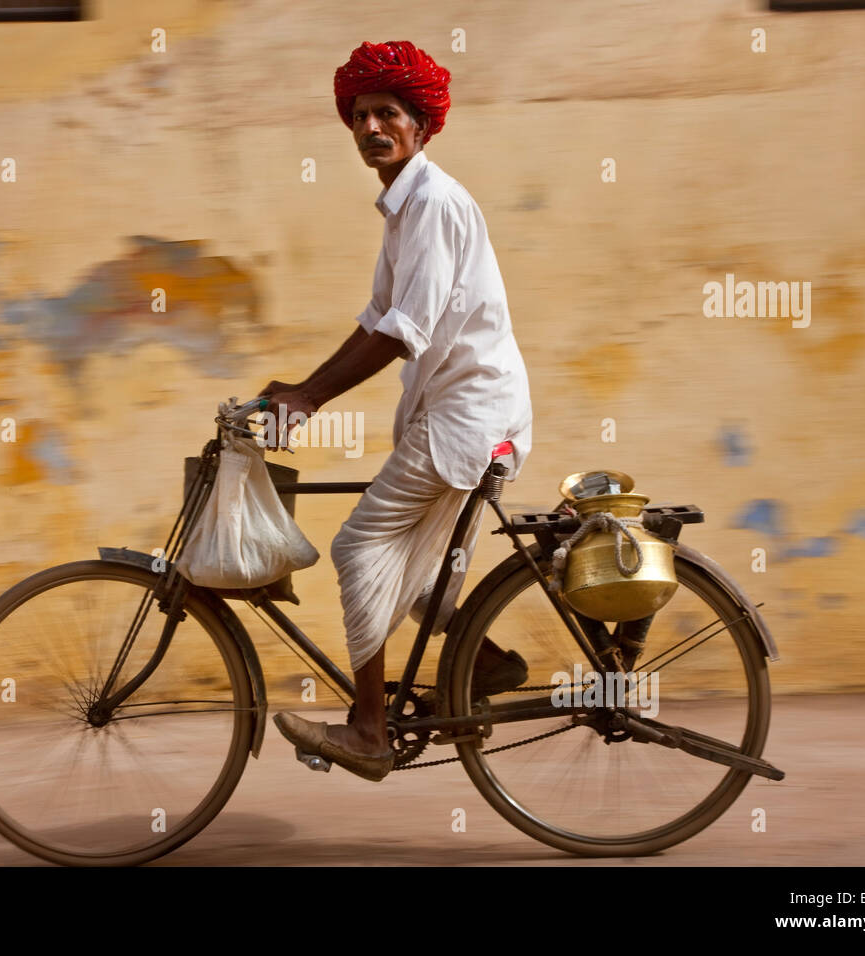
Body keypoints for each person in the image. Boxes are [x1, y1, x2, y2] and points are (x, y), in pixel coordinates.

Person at [260, 40, 533, 782]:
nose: (371, 126)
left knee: (356, 551)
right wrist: (300, 387)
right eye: (360, 115)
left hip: (467, 417)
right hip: (463, 415)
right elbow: (379, 313)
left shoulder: (434, 203)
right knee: (416, 580)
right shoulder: (404, 207)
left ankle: (369, 730)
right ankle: (488, 666)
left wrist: (311, 396)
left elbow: (402, 331)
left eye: (387, 113)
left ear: (420, 125)